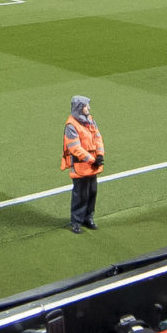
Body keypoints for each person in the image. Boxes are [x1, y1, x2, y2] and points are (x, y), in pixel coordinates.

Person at [63, 96, 104, 232]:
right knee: (80, 194)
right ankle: (76, 221)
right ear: (79, 107)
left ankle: (88, 217)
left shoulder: (90, 120)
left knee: (92, 192)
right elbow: (75, 148)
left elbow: (98, 137)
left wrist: (100, 155)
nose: (88, 108)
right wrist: (92, 159)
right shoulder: (71, 125)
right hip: (81, 165)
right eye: (86, 106)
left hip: (92, 164)